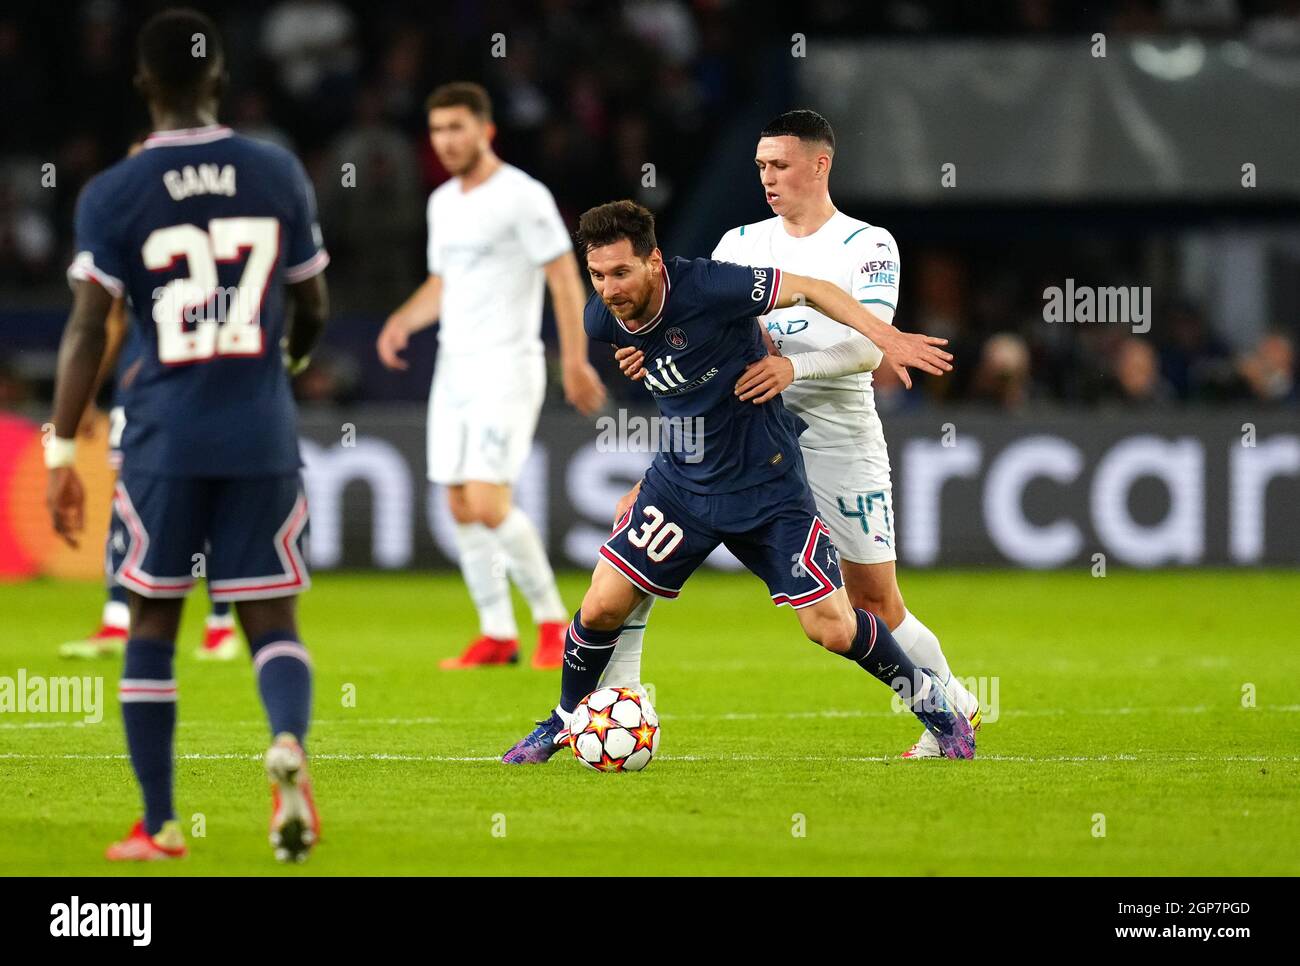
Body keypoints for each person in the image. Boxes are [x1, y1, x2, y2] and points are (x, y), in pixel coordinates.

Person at [501, 200, 974, 764]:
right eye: (598, 275)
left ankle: (941, 714)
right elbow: (670, 359)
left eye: (621, 272)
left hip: (766, 487)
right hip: (681, 486)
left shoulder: (710, 286)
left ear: (654, 262)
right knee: (602, 606)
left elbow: (814, 289)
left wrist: (886, 338)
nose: (608, 287)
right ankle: (563, 720)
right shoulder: (603, 318)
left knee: (832, 627)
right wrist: (644, 357)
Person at [603, 110, 982, 757]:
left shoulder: (868, 245)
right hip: (744, 436)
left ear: (819, 164)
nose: (767, 178)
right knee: (629, 533)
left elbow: (870, 349)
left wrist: (791, 364)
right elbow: (689, 332)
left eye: (779, 165)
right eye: (759, 167)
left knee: (874, 600)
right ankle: (612, 701)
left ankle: (948, 703)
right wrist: (648, 350)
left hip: (836, 435)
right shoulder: (740, 242)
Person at [47, 8, 328, 862]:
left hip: (166, 435)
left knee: (151, 622)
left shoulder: (115, 191)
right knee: (270, 616)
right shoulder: (275, 170)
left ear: (143, 83)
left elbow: (88, 328)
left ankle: (160, 823)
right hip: (259, 429)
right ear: (218, 81)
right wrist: (281, 369)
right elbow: (312, 306)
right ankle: (286, 743)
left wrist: (63, 449)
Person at [377, 82, 606, 670]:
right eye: (437, 130)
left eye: (457, 127)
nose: (447, 140)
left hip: (507, 365)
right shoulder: (443, 202)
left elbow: (563, 278)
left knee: (485, 499)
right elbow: (443, 282)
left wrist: (575, 359)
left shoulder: (522, 196)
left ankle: (556, 625)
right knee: (457, 503)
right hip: (454, 369)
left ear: (486, 130)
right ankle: (497, 633)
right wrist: (403, 320)